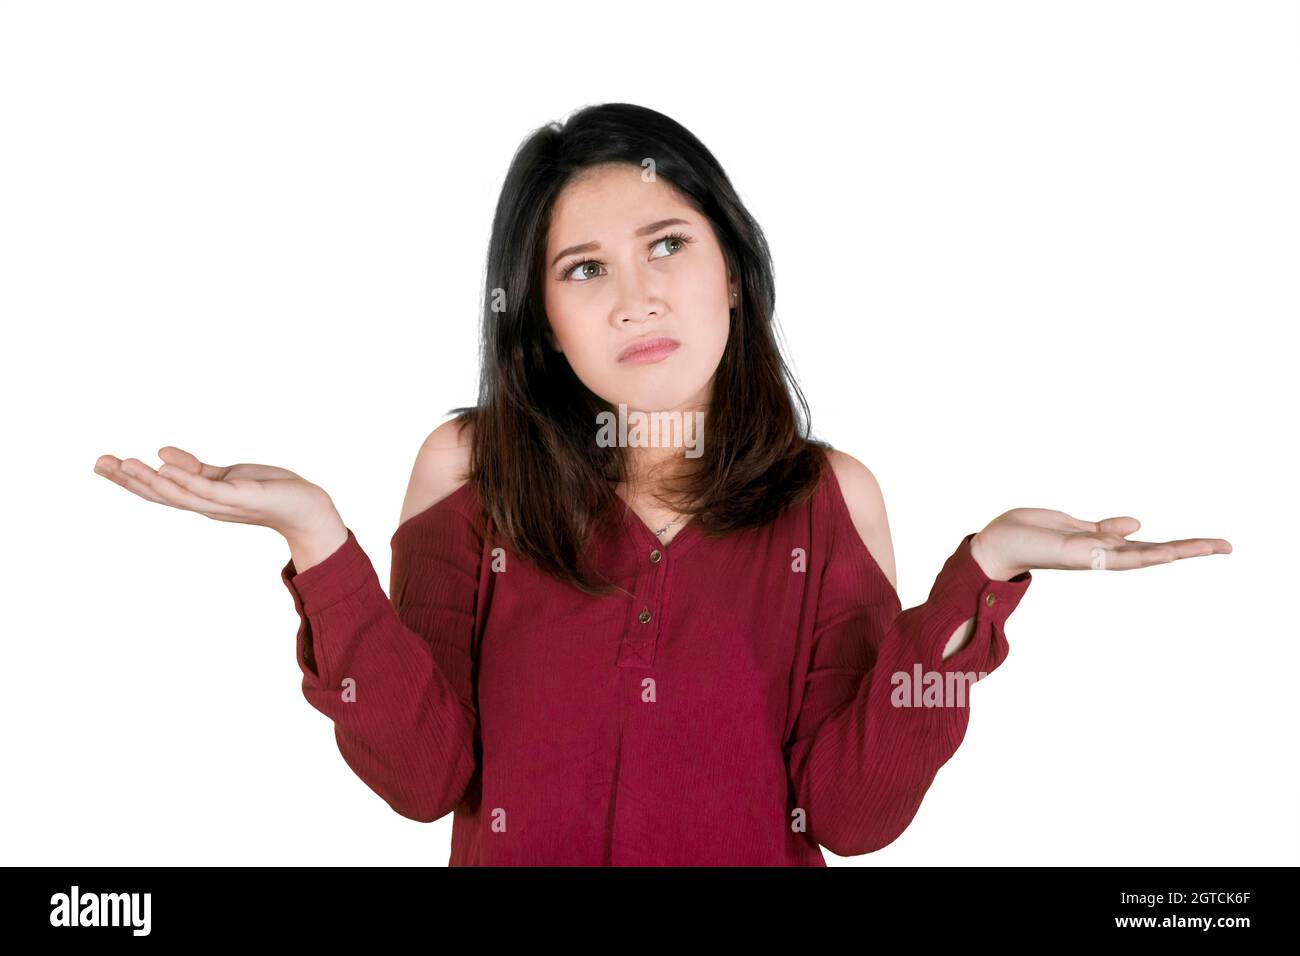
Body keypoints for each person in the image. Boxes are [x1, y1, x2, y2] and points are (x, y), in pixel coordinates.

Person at [92, 103, 1232, 866]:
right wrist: (317, 541)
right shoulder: (468, 472)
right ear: (541, 317)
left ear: (730, 264)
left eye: (667, 245)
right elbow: (423, 772)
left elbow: (852, 810)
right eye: (583, 269)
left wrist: (982, 576)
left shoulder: (829, 496)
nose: (634, 295)